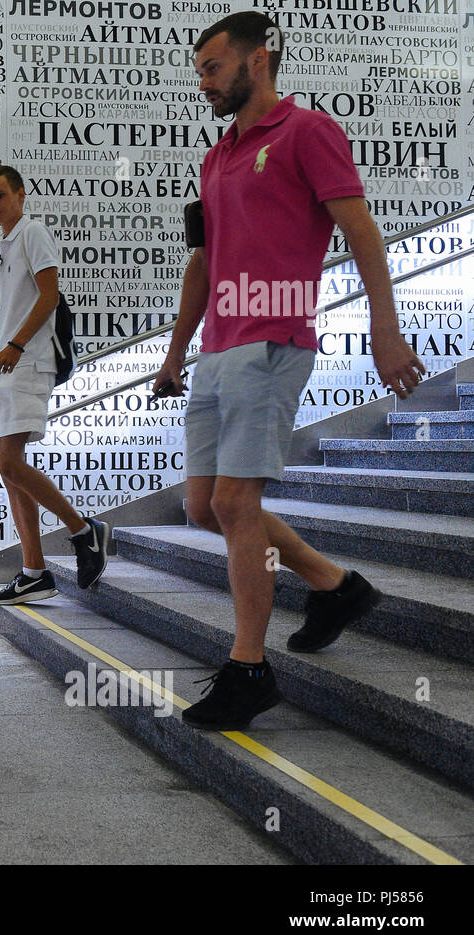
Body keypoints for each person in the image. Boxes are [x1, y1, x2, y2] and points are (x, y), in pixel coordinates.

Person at [151, 12, 426, 730]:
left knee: (238, 503)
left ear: (257, 61)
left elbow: (359, 226)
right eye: (200, 70)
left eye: (213, 67)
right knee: (205, 506)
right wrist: (177, 351)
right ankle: (332, 585)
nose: (203, 82)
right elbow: (204, 263)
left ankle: (249, 668)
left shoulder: (308, 133)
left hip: (275, 340)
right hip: (218, 348)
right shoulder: (217, 157)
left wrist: (385, 328)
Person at [0, 165, 110, 606]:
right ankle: (34, 572)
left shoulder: (33, 232)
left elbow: (49, 296)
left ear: (19, 194)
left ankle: (83, 530)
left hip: (27, 362)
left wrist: (15, 344)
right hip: (9, 364)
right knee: (9, 471)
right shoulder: (8, 242)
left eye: (0, 196)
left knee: (11, 465)